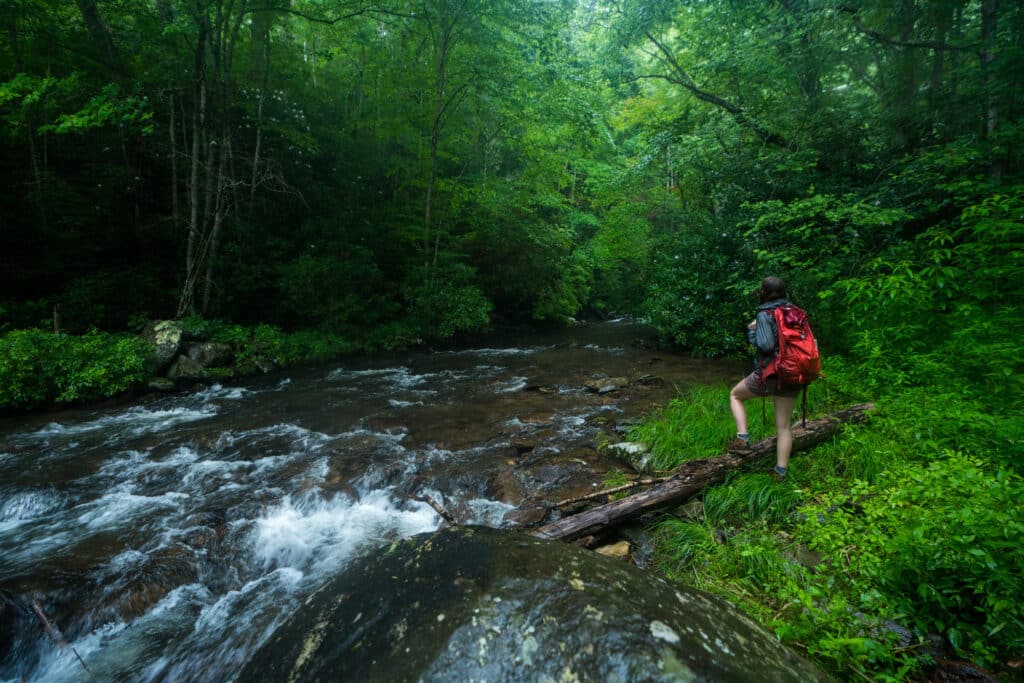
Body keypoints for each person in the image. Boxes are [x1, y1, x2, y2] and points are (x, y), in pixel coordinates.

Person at [727, 276, 803, 480]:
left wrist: (752, 331)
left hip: (772, 373)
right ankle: (780, 472)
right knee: (784, 426)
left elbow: (766, 346)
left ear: (764, 292)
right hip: (795, 372)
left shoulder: (765, 313)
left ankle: (743, 439)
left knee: (735, 395)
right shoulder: (794, 311)